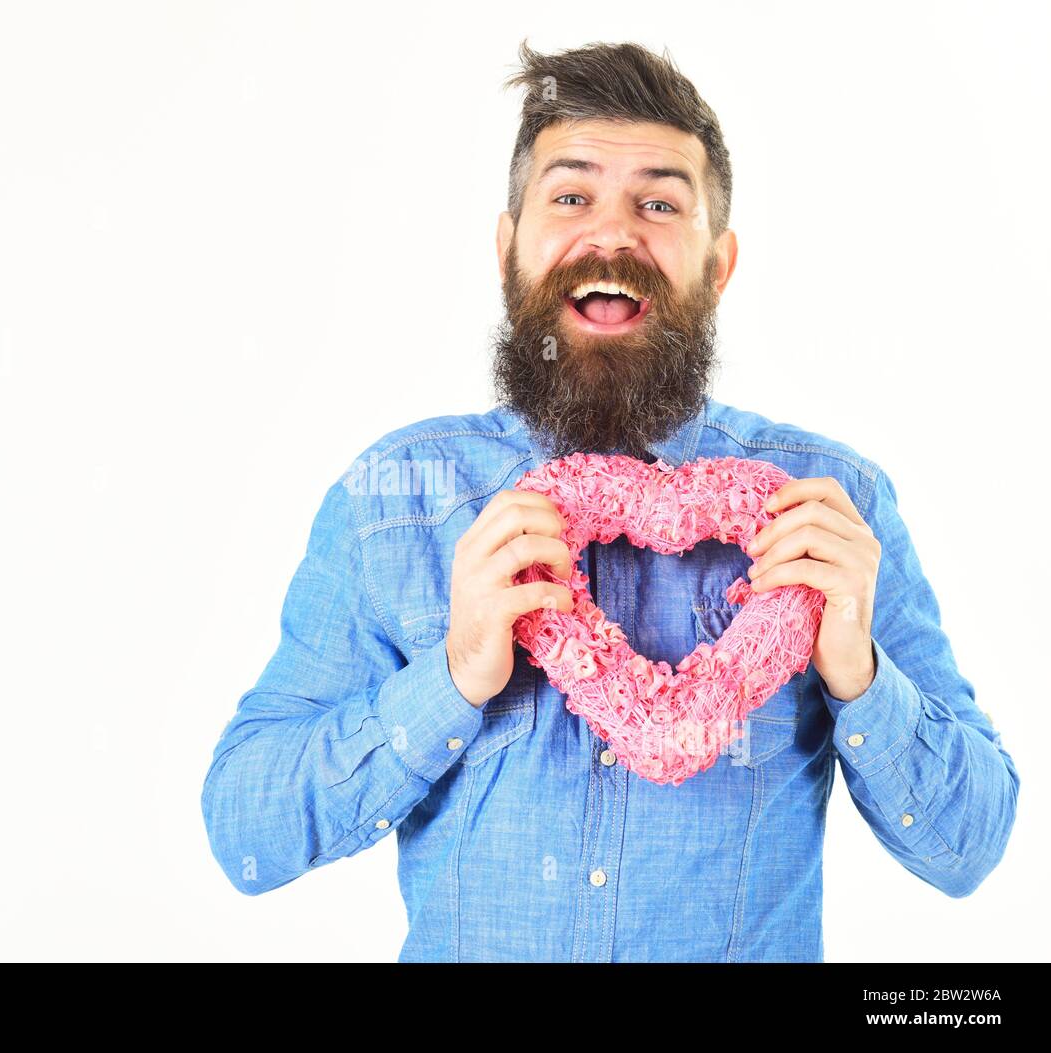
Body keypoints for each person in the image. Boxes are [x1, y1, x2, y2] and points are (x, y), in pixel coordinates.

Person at [200, 40, 1019, 962]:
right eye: (571, 196)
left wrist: (859, 671)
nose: (614, 236)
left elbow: (972, 849)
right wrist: (455, 675)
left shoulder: (829, 507)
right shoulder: (398, 501)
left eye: (661, 204)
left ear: (719, 263)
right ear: (507, 246)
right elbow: (247, 835)